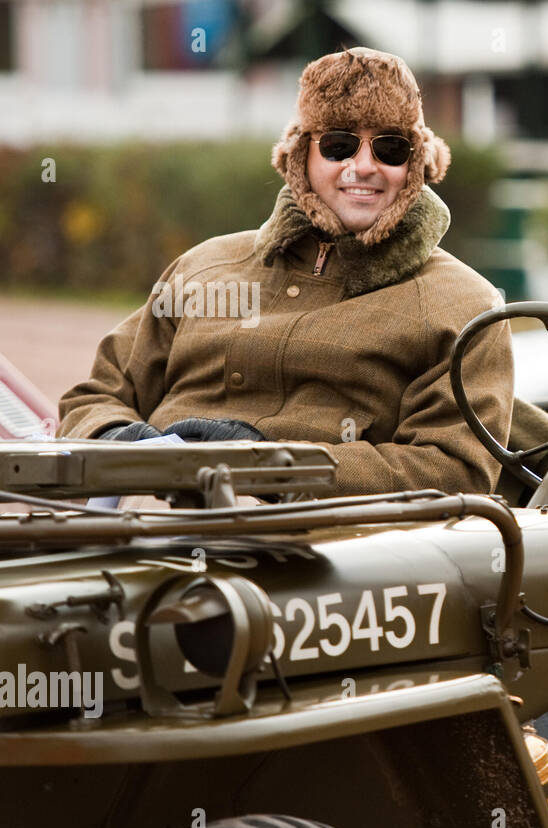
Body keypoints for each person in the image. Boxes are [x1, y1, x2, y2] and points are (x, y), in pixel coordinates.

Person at [58, 47, 512, 497]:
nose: (364, 166)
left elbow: (453, 470)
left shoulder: (464, 304)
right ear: (301, 156)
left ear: (415, 163)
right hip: (136, 531)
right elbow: (93, 397)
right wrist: (127, 447)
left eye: (390, 148)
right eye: (338, 144)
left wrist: (268, 463)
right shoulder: (203, 268)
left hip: (321, 551)